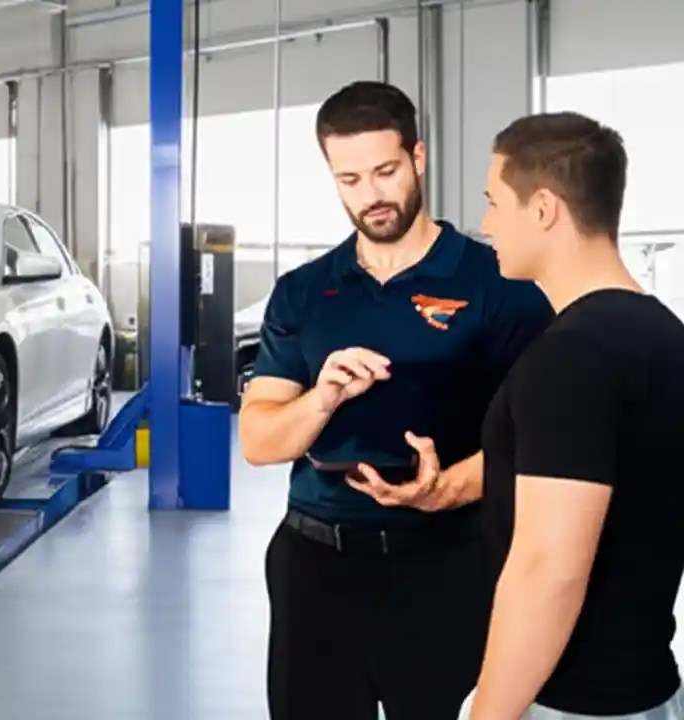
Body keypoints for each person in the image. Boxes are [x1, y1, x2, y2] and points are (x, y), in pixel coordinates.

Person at [238, 80, 554, 720]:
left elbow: (543, 443)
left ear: (418, 157)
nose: (371, 195)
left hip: (447, 566)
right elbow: (258, 441)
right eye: (349, 179)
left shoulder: (498, 284)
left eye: (385, 171)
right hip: (314, 568)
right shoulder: (303, 293)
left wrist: (450, 489)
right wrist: (321, 399)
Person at [459, 113, 684, 719]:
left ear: (544, 210)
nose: (485, 225)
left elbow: (547, 572)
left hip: (571, 703)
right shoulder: (664, 335)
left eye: (493, 202)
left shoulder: (569, 359)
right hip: (649, 691)